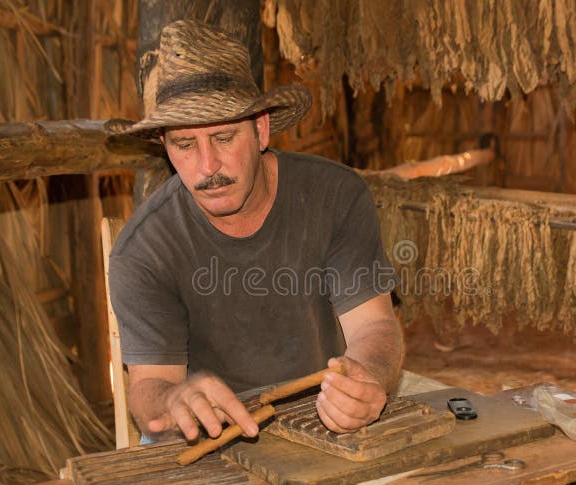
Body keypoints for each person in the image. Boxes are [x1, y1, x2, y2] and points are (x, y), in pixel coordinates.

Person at [109, 19, 404, 444]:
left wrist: (366, 379)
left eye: (224, 137)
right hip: (210, 439)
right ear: (165, 147)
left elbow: (374, 327)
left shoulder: (335, 196)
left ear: (261, 128)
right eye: (185, 145)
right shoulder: (143, 250)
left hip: (322, 416)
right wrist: (175, 400)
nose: (207, 168)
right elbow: (148, 389)